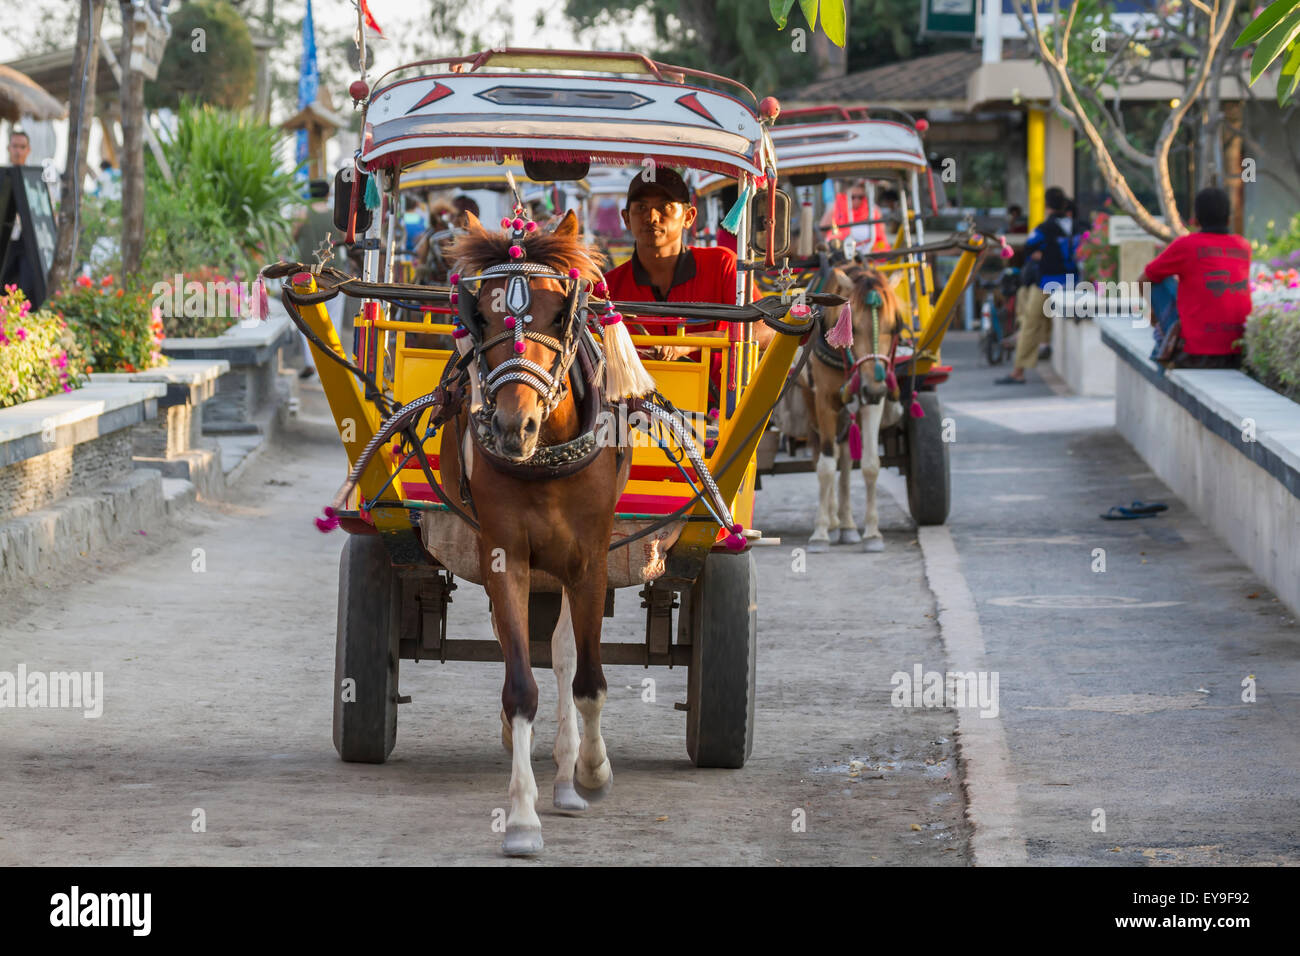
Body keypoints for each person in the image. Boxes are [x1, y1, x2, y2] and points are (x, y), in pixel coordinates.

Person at [602, 168, 773, 405]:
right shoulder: (608, 287)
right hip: (630, 416)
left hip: (717, 411)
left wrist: (690, 343)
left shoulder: (722, 264)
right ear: (626, 218)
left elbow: (766, 330)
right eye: (641, 208)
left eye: (665, 207)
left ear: (689, 216)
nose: (652, 217)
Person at [1138, 187, 1251, 369]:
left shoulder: (1187, 245)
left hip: (1195, 351)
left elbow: (1143, 280)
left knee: (1160, 281)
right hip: (1236, 351)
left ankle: (1164, 349)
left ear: (1195, 220)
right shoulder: (1243, 246)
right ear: (1229, 219)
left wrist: (1155, 315)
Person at [996, 186, 1076, 384]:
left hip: (1047, 282)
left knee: (1030, 324)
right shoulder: (1076, 227)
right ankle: (1046, 345)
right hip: (1073, 283)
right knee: (1048, 319)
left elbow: (1029, 247)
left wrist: (1041, 255)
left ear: (1047, 206)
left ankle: (1018, 371)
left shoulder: (1043, 229)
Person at [819, 178, 886, 249]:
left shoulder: (873, 210)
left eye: (860, 197)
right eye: (853, 197)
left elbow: (881, 232)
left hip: (868, 252)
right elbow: (823, 230)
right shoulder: (836, 208)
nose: (856, 200)